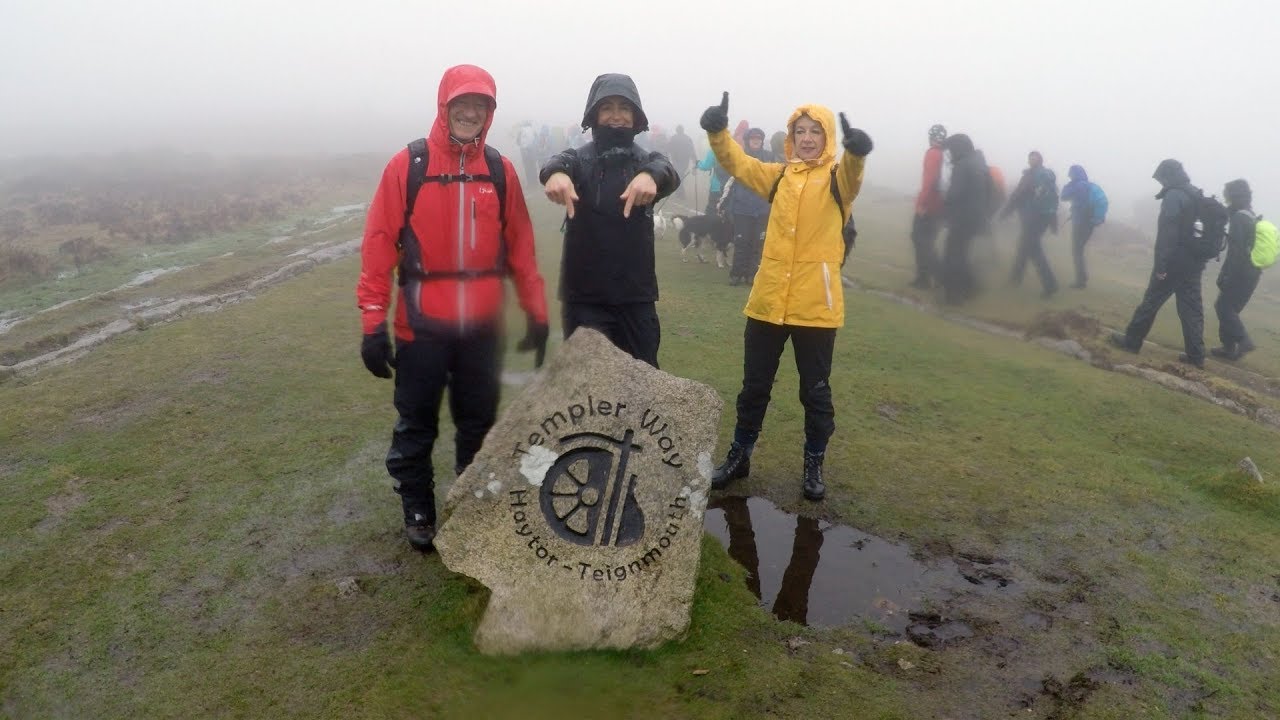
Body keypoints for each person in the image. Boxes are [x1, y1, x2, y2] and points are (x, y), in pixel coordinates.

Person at [356, 65, 550, 552]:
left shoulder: (500, 170)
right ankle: (418, 504)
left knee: (478, 421)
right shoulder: (409, 165)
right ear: (444, 108)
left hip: (483, 326)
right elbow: (379, 245)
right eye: (462, 104)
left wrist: (537, 311)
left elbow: (521, 247)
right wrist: (372, 323)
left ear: (490, 113)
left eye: (480, 105)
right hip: (421, 323)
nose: (470, 113)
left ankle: (472, 496)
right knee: (417, 421)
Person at [700, 92, 872, 502]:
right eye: (800, 131)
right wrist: (718, 132)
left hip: (816, 307)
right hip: (768, 302)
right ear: (790, 136)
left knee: (814, 392)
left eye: (816, 132)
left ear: (827, 137)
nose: (807, 138)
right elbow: (737, 164)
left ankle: (814, 464)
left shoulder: (837, 180)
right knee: (753, 386)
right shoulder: (778, 176)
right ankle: (740, 455)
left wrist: (857, 152)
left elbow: (853, 174)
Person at [540, 73, 679, 368]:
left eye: (624, 108)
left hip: (635, 298)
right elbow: (556, 163)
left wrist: (650, 175)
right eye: (607, 108)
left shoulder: (648, 161)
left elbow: (668, 170)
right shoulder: (577, 160)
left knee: (642, 385)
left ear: (636, 116)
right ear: (594, 114)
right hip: (584, 300)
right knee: (586, 388)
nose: (616, 116)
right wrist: (557, 173)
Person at [1110, 159, 1208, 367]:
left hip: (1174, 260)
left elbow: (1168, 233)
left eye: (1162, 179)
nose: (1161, 184)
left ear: (1168, 176)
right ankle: (1196, 355)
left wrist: (1161, 266)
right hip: (1194, 261)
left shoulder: (1174, 195)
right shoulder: (1194, 192)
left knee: (1152, 300)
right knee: (1191, 308)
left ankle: (1131, 341)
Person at [1211, 179, 1260, 360]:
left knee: (1223, 306)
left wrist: (1226, 275)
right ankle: (1229, 348)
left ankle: (1242, 340)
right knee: (1229, 308)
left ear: (1234, 196)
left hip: (1240, 272)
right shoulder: (1251, 215)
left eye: (1228, 197)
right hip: (1253, 272)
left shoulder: (1239, 218)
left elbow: (1236, 252)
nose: (1226, 201)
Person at [938, 134, 990, 305]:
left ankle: (953, 295)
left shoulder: (963, 165)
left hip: (962, 218)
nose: (950, 154)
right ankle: (971, 287)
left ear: (958, 148)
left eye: (951, 150)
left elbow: (955, 193)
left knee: (952, 255)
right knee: (961, 254)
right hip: (974, 218)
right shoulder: (979, 163)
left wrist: (944, 203)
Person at [1001, 151, 1060, 298]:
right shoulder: (1047, 177)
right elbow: (1054, 201)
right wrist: (1053, 223)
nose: (1031, 160)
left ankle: (1050, 284)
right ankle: (1015, 279)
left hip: (1032, 218)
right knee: (1024, 247)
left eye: (1033, 158)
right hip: (1043, 218)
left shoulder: (1030, 176)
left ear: (1038, 161)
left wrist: (1005, 213)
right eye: (1030, 158)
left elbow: (1017, 195)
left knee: (1033, 249)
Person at [722, 127, 773, 286]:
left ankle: (753, 275)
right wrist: (725, 205)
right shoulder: (740, 158)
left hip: (763, 209)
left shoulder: (770, 158)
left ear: (762, 141)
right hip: (741, 209)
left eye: (759, 138)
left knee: (758, 244)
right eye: (753, 139)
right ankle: (737, 273)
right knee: (742, 242)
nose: (756, 141)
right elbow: (729, 180)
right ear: (747, 141)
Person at [911, 124, 948, 289]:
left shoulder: (933, 153)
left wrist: (921, 203)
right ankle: (927, 278)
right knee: (926, 241)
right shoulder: (945, 155)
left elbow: (929, 180)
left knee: (921, 240)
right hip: (940, 206)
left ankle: (934, 277)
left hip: (929, 206)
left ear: (931, 137)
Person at [1060, 165, 1106, 288]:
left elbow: (1063, 196)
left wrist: (1070, 184)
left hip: (1080, 222)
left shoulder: (1078, 185)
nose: (1069, 176)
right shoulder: (1088, 185)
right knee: (1078, 250)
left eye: (1070, 173)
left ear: (1074, 174)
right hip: (1089, 222)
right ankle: (1082, 278)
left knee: (1076, 250)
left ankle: (1081, 281)